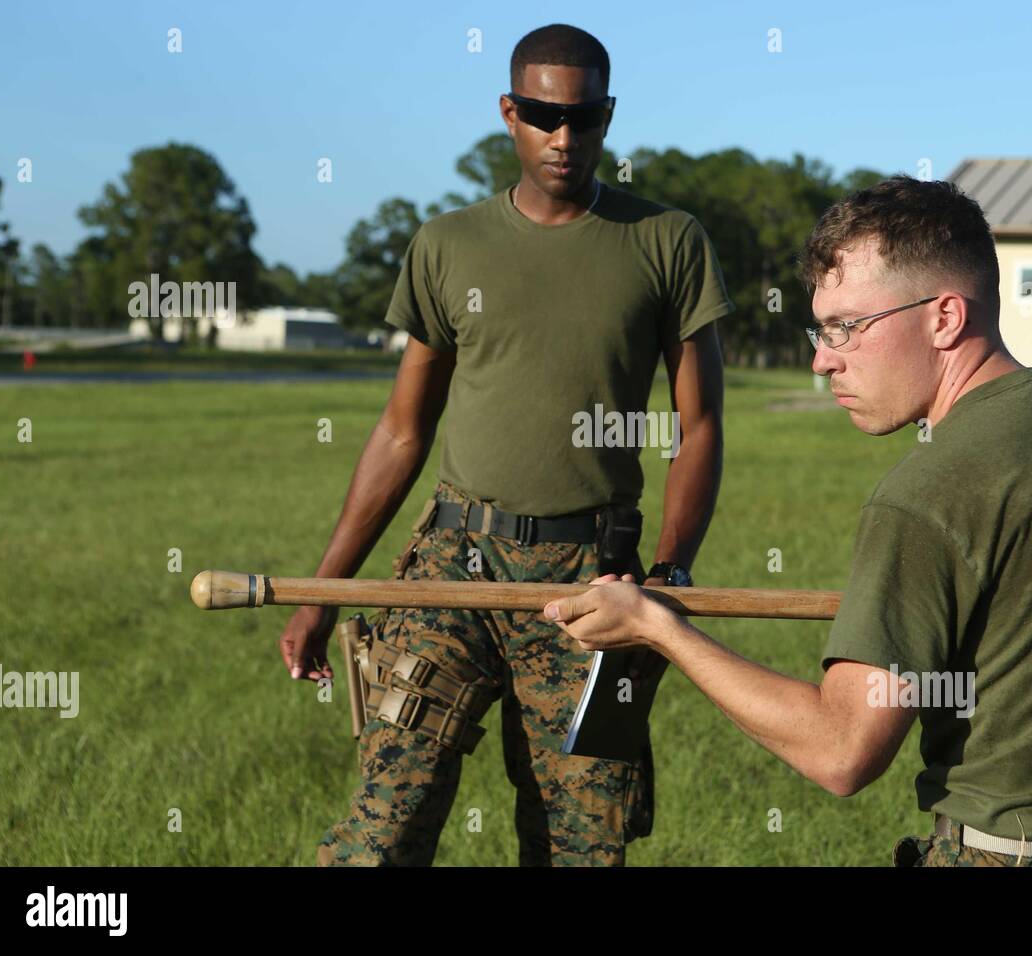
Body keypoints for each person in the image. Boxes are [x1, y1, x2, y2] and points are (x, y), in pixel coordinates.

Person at [544, 175, 1032, 867]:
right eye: (819, 328)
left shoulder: (928, 491)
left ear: (945, 318)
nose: (821, 358)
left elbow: (842, 751)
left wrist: (658, 627)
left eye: (847, 326)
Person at [279, 23, 732, 866]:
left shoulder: (667, 239)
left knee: (580, 849)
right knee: (382, 832)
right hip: (455, 564)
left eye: (584, 118)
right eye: (541, 114)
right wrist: (325, 588)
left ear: (608, 116)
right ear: (508, 112)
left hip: (592, 582)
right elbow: (401, 429)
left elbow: (698, 425)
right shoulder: (448, 244)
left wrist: (668, 577)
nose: (563, 138)